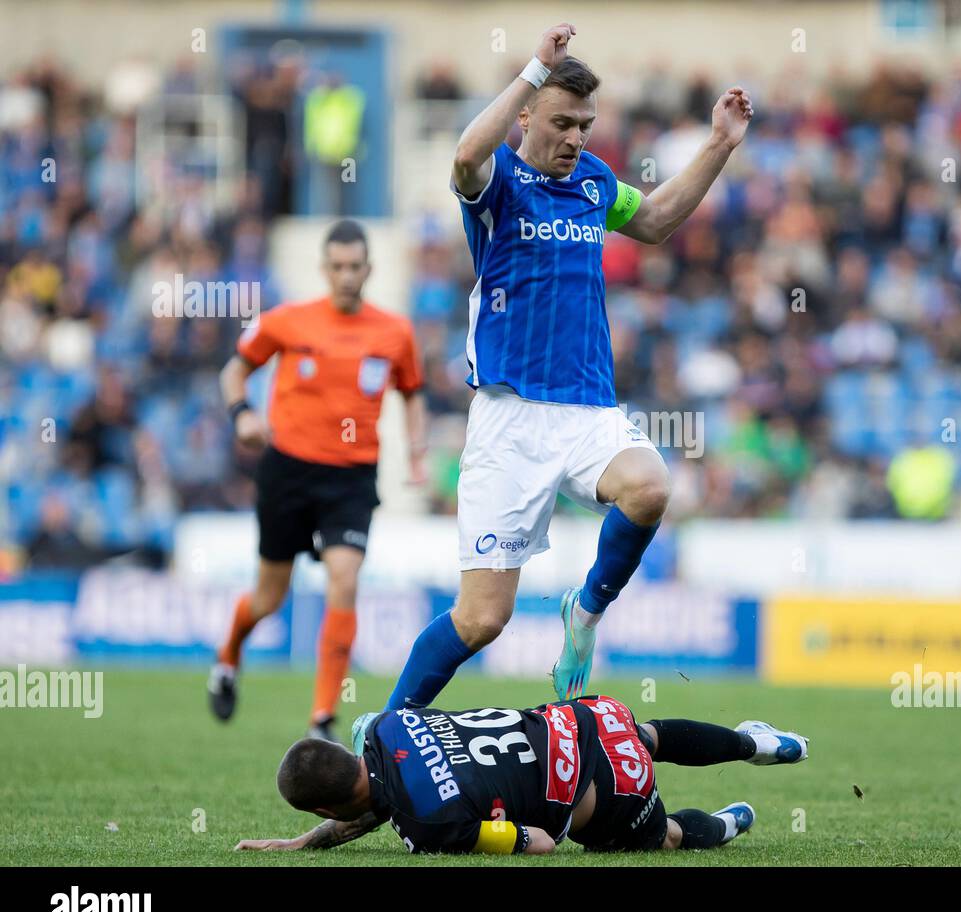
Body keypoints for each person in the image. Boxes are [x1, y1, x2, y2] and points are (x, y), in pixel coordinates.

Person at [389, 22, 755, 712]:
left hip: (588, 410)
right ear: (526, 114)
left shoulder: (592, 181)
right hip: (509, 419)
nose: (576, 139)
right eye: (562, 123)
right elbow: (466, 154)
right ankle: (386, 733)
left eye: (585, 125)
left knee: (650, 487)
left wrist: (717, 147)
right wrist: (533, 66)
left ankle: (584, 613)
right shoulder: (498, 180)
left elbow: (654, 221)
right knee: (481, 620)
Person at [209, 220, 427, 740]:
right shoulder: (288, 322)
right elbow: (233, 371)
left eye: (356, 267)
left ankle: (322, 718)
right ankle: (228, 655)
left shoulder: (395, 332)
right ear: (324, 269)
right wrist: (241, 414)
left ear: (368, 269)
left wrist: (417, 450)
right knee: (267, 599)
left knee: (345, 579)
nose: (347, 276)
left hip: (351, 478)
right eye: (338, 267)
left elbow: (412, 392)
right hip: (288, 470)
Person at [235, 695, 808, 856]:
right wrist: (304, 842)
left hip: (606, 795)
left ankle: (727, 826)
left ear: (325, 809)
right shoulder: (387, 727)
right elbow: (385, 790)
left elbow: (535, 844)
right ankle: (755, 742)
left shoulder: (431, 825)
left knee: (665, 838)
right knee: (649, 734)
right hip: (582, 717)